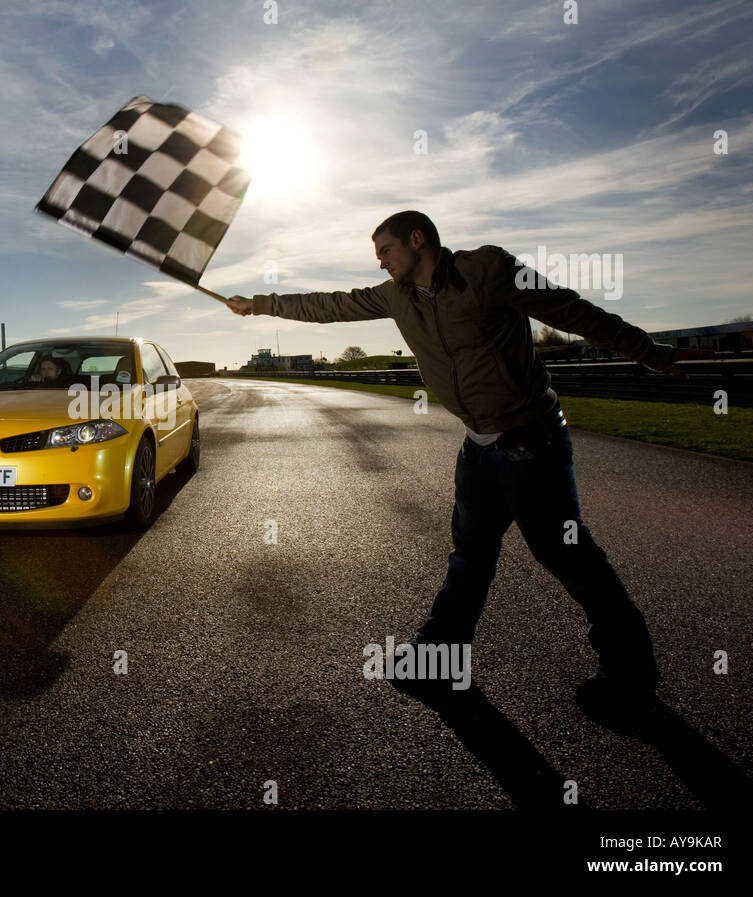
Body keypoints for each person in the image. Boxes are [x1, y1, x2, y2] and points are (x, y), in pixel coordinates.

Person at [226, 211, 702, 711]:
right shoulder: (395, 296)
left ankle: (631, 674)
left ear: (417, 239)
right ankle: (439, 659)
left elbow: (571, 312)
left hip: (530, 442)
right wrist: (259, 305)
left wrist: (653, 353)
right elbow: (328, 305)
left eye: (385, 251)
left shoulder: (489, 270)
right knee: (470, 556)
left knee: (566, 553)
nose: (381, 262)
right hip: (478, 448)